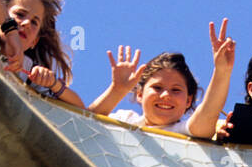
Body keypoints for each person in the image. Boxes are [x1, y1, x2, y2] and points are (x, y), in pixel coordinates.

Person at [88, 21, 237, 138]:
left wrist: (222, 71)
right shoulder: (124, 119)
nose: (166, 95)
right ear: (139, 94)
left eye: (176, 90)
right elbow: (83, 122)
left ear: (188, 101)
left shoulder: (183, 132)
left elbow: (207, 116)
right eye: (157, 88)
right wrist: (117, 90)